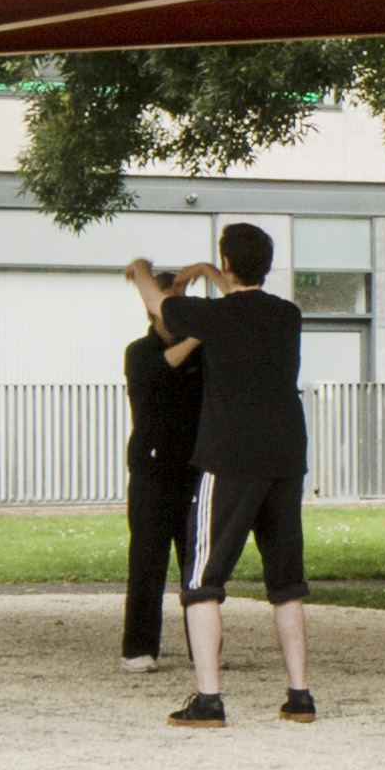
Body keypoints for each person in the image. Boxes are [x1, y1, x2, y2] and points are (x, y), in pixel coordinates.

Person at [126, 225, 315, 723]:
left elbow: (160, 303)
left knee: (202, 580)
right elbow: (244, 297)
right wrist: (216, 272)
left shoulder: (214, 316)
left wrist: (141, 270)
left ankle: (209, 699)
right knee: (287, 582)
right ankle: (300, 695)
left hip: (230, 458)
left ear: (227, 264)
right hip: (285, 457)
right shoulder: (288, 316)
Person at [119, 265, 204, 671]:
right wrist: (196, 333)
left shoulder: (205, 353)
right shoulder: (139, 352)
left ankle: (203, 646)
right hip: (152, 471)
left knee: (198, 564)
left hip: (194, 469)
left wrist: (205, 275)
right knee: (147, 561)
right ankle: (139, 649)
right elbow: (161, 368)